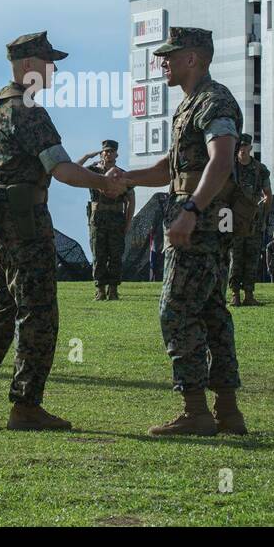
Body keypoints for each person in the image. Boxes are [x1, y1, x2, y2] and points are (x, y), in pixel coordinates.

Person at [0, 31, 128, 432]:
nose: (54, 70)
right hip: (26, 227)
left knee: (3, 310)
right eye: (48, 62)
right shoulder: (28, 109)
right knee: (38, 313)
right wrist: (104, 184)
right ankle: (26, 405)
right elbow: (60, 169)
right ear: (28, 66)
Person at [107, 27, 247, 436]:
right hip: (201, 218)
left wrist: (190, 210)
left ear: (194, 58)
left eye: (171, 55)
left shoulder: (213, 100)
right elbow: (169, 168)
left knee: (176, 310)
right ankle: (227, 411)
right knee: (211, 312)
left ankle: (195, 411)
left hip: (200, 222)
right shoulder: (190, 105)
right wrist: (125, 178)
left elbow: (221, 161)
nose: (162, 62)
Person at [79, 139, 135, 301]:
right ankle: (100, 289)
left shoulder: (121, 174)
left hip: (117, 218)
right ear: (102, 153)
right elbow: (75, 168)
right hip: (98, 218)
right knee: (99, 253)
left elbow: (131, 199)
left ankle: (113, 289)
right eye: (106, 151)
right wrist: (87, 156)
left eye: (112, 151)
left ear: (117, 154)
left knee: (116, 254)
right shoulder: (93, 172)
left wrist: (128, 221)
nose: (109, 154)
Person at [225, 133, 272, 307]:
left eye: (245, 147)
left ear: (250, 148)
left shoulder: (260, 169)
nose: (242, 150)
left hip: (253, 220)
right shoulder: (229, 168)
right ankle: (235, 294)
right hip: (233, 220)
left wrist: (264, 216)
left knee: (252, 258)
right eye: (239, 147)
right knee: (235, 257)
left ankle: (249, 294)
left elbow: (268, 194)